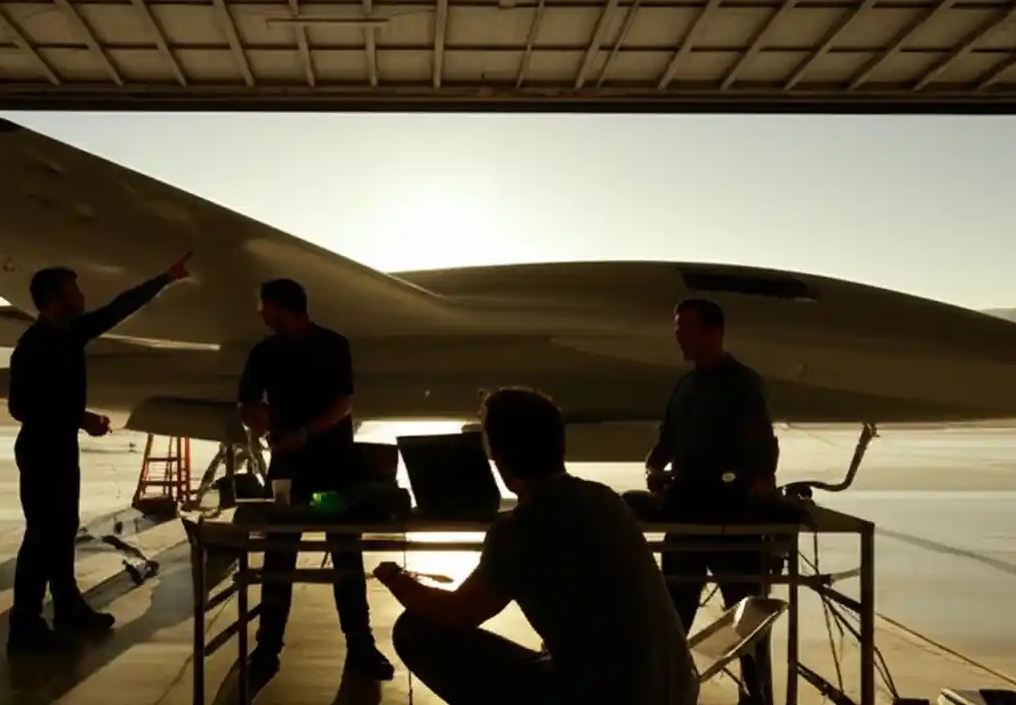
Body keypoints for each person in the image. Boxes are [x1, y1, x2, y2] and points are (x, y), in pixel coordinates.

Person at [375, 387, 698, 705]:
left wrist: (399, 581)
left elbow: (459, 614)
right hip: (676, 688)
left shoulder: (521, 526)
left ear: (497, 456)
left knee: (415, 630)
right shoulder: (604, 498)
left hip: (609, 695)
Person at [5, 252, 191, 651]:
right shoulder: (32, 347)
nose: (82, 295)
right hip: (40, 451)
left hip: (58, 449)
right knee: (41, 535)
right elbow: (20, 407)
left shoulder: (69, 333)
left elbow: (117, 309)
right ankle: (25, 623)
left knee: (61, 531)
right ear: (57, 298)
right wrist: (78, 417)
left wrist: (165, 277)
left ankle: (68, 607)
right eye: (75, 290)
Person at [236, 278, 394, 688]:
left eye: (265, 307)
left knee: (344, 555)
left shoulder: (332, 345)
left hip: (330, 474)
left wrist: (303, 434)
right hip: (288, 478)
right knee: (279, 561)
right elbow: (248, 405)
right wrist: (263, 422)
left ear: (281, 308)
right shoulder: (264, 352)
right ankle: (267, 649)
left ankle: (360, 644)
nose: (261, 314)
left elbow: (343, 403)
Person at [644, 297, 780, 704]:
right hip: (685, 514)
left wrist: (760, 482)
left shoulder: (744, 383)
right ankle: (669, 695)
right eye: (677, 328)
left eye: (686, 328)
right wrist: (655, 468)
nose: (679, 336)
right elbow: (667, 439)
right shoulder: (685, 385)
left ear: (713, 331)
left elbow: (762, 446)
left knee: (747, 624)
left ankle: (756, 700)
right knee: (673, 619)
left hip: (733, 519)